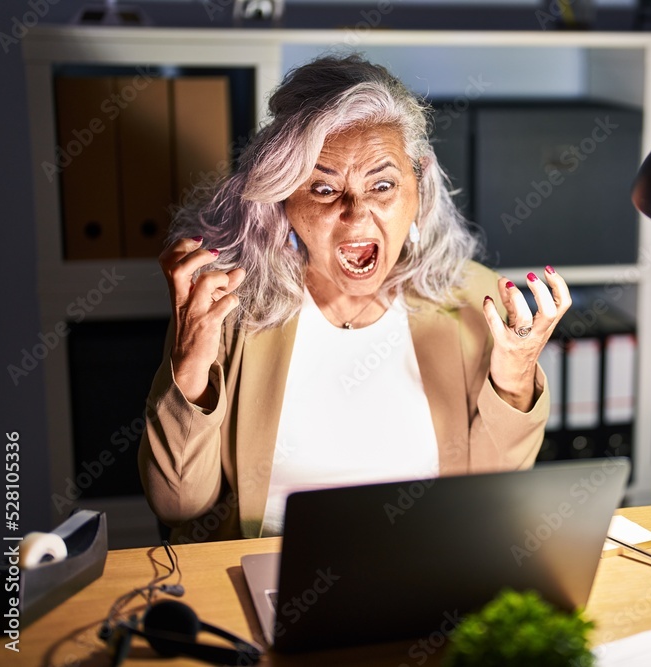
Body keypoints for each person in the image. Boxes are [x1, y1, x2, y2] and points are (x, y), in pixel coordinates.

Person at [138, 54, 571, 542]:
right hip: (272, 570)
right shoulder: (227, 308)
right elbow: (177, 505)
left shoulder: (479, 300)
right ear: (283, 200)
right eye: (323, 189)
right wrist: (191, 358)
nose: (357, 213)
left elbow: (497, 493)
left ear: (419, 189)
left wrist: (513, 380)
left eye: (382, 185)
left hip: (427, 566)